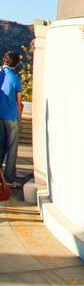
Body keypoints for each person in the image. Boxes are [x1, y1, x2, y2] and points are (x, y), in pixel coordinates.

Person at [0, 51, 23, 187]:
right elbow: (19, 101)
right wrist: (19, 118)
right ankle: (8, 178)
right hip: (11, 116)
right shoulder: (15, 79)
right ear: (16, 64)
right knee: (12, 147)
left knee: (1, 145)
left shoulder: (1, 75)